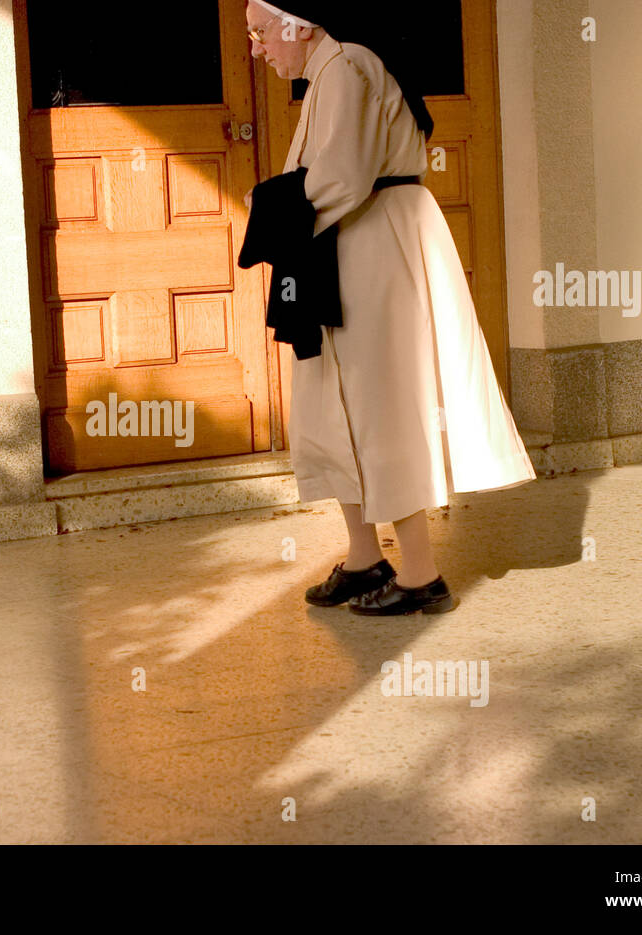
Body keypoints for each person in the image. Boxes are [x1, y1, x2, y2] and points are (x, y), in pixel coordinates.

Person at [242, 1, 536, 615]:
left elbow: (343, 177)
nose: (257, 48)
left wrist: (269, 210)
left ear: (296, 21)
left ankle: (422, 573)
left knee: (382, 404)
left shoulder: (346, 66)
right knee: (332, 399)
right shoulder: (331, 70)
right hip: (347, 242)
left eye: (261, 31)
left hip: (372, 241)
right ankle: (362, 556)